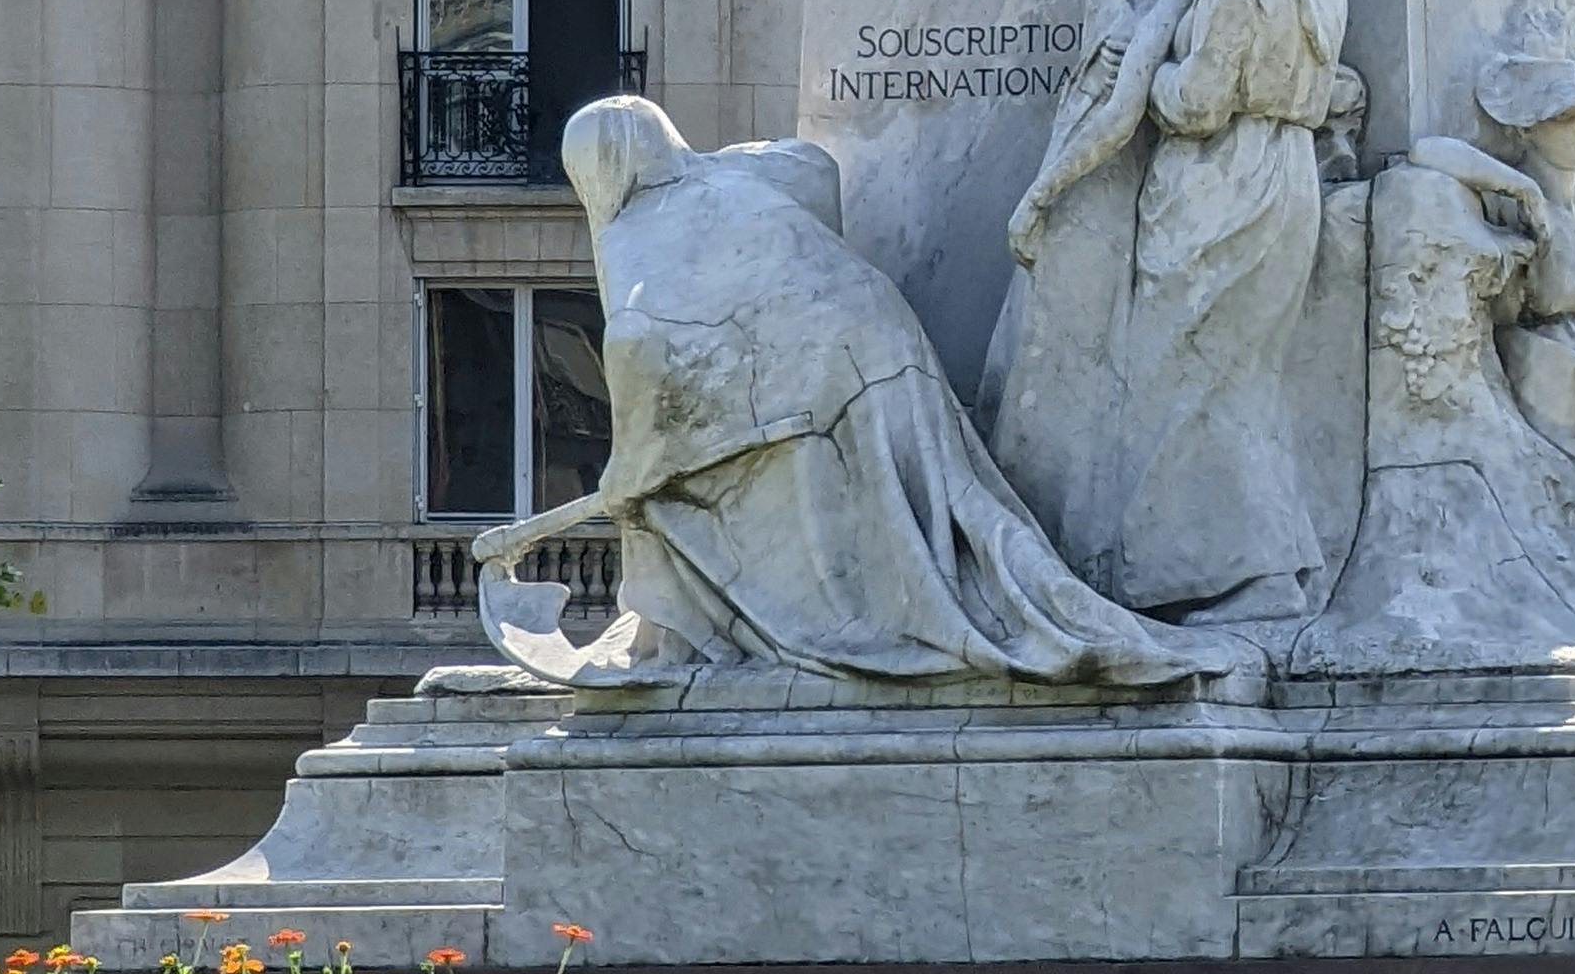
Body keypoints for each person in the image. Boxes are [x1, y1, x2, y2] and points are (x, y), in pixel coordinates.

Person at [472, 97, 1202, 690]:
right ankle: (875, 614)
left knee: (659, 503)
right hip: (884, 334)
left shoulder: (636, 235)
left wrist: (630, 473)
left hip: (813, 382)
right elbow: (817, 169)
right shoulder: (748, 168)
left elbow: (636, 347)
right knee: (920, 520)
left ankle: (693, 636)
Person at [1104, 0, 1352, 620]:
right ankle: (1268, 565)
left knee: (1188, 380)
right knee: (1244, 380)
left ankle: (1241, 577)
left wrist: (1145, 66)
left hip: (1219, 186)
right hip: (1287, 176)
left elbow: (1198, 104)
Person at [977, 0, 1205, 576]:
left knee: (1065, 372)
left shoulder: (1172, 7)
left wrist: (1040, 195)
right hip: (1078, 189)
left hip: (1094, 195)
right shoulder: (1145, 0)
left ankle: (1069, 552)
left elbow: (1118, 116)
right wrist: (1106, 1)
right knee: (1034, 359)